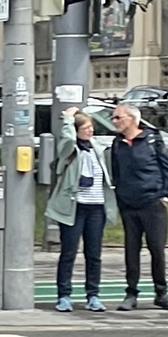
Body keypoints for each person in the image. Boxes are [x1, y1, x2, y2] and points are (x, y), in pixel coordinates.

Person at [110, 100, 168, 310]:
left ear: (132, 118)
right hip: (128, 205)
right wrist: (120, 197)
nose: (114, 121)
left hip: (152, 203)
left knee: (156, 249)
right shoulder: (117, 144)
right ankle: (131, 293)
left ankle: (161, 293)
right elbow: (116, 172)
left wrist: (166, 194)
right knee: (131, 250)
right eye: (113, 118)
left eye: (118, 117)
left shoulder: (151, 139)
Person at [44, 107, 115, 312]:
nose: (90, 131)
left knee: (94, 254)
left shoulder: (97, 148)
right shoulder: (70, 150)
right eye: (85, 128)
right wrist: (68, 119)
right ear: (76, 131)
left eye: (91, 127)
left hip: (96, 208)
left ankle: (93, 295)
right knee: (68, 253)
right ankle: (64, 296)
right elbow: (66, 141)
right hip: (74, 207)